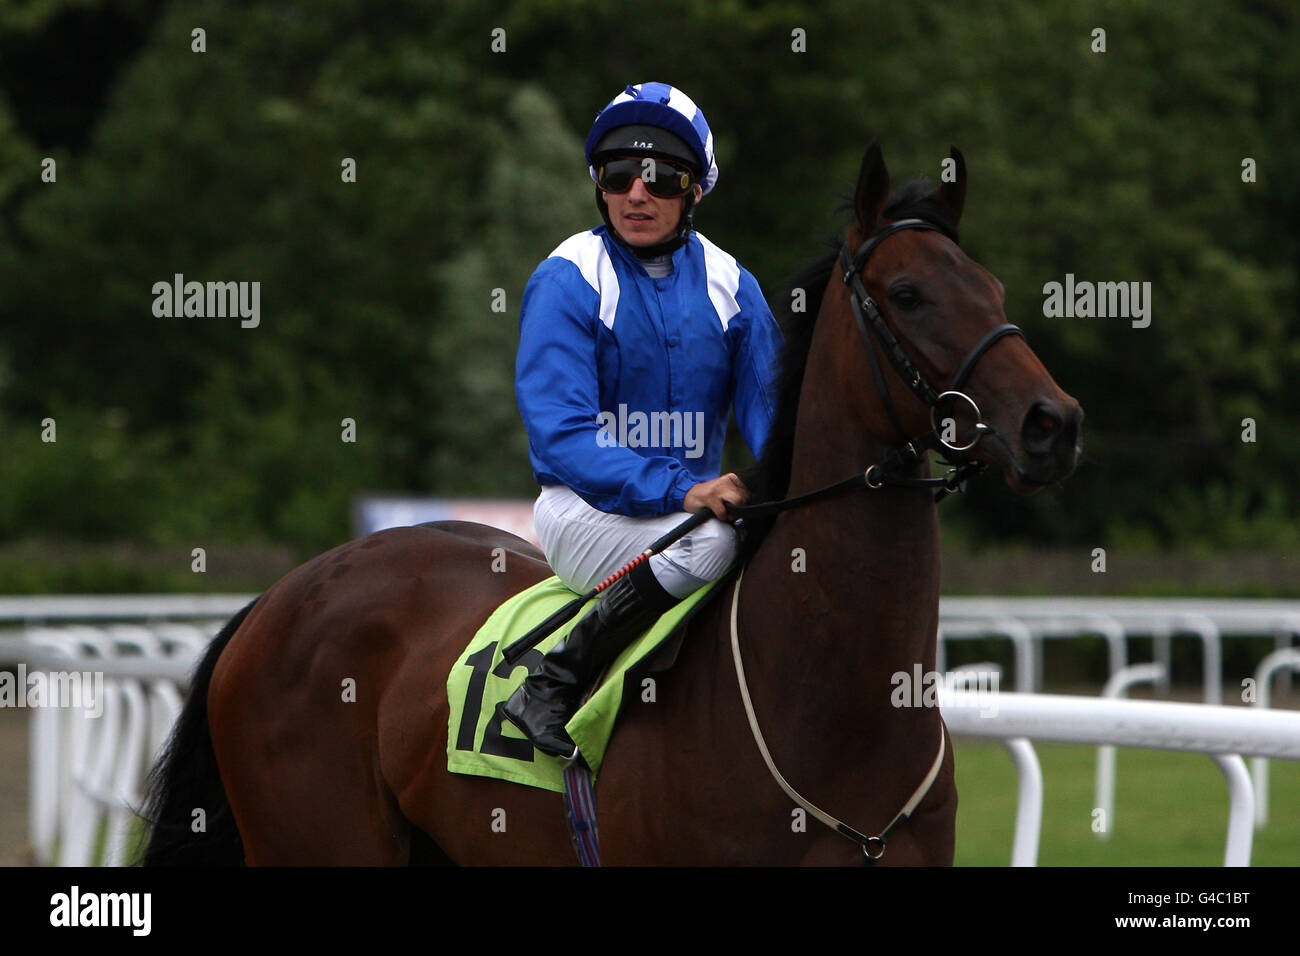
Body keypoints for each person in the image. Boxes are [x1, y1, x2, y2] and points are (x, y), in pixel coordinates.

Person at [499, 81, 783, 759]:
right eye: (619, 174)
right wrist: (682, 489)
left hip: (690, 511)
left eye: (660, 178)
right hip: (583, 511)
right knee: (711, 546)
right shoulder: (569, 275)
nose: (636, 193)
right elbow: (562, 435)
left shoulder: (733, 285)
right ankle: (553, 681)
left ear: (695, 191)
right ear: (600, 184)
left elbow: (775, 416)